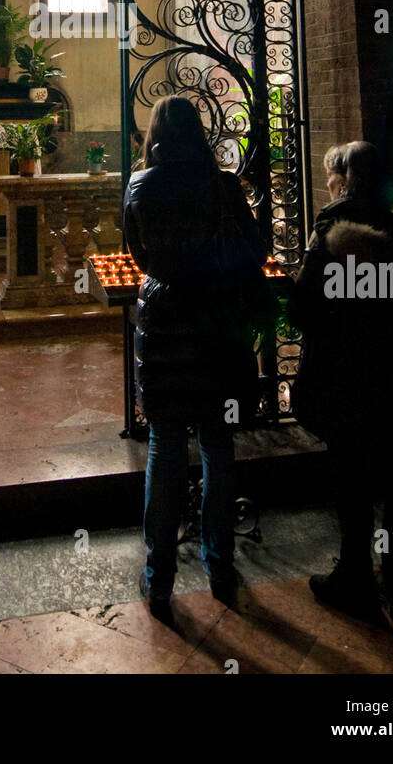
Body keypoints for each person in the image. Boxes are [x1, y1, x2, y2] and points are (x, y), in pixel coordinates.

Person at [123, 95, 272, 614]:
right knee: (218, 444)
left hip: (165, 325)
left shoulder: (140, 186)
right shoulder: (225, 187)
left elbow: (140, 256)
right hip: (218, 327)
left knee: (165, 445)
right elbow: (257, 251)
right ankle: (220, 565)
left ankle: (159, 575)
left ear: (155, 134)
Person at [288, 141, 393, 626]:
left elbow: (304, 311)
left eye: (337, 175)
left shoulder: (333, 232)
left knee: (352, 483)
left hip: (349, 380)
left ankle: (354, 576)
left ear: (346, 179)